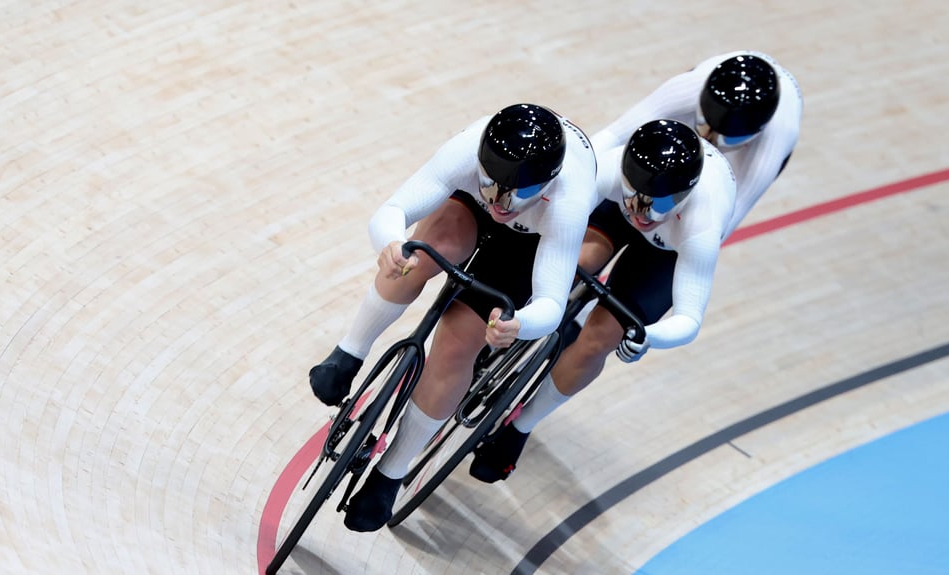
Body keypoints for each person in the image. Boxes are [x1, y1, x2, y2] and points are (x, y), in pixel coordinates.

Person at [469, 51, 802, 482]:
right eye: (703, 125)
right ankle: (504, 333)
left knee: (600, 338)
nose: (710, 137)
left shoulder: (762, 150)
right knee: (577, 256)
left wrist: (647, 334)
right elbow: (607, 141)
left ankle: (519, 428)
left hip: (684, 218)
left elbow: (708, 257)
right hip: (644, 178)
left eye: (722, 135)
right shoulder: (685, 93)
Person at [308, 103, 598, 531]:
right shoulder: (466, 151)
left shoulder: (569, 201)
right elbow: (392, 211)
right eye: (493, 184)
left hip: (530, 241)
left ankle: (391, 475)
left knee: (457, 344)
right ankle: (348, 353)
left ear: (549, 184)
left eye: (516, 192)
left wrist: (519, 325)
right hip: (468, 206)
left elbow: (552, 303)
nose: (503, 201)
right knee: (418, 255)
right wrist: (391, 243)